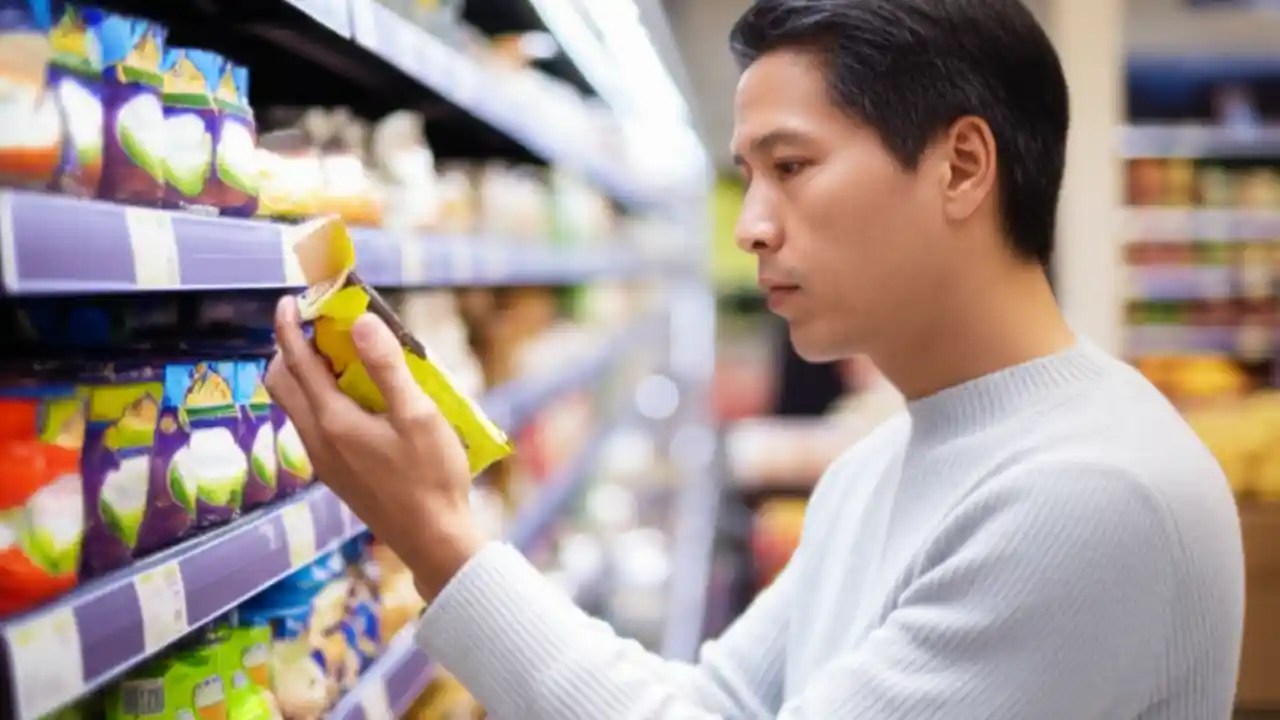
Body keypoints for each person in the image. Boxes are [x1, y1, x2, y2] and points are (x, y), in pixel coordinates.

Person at [265, 0, 1245, 717]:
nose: (752, 228)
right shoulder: (882, 465)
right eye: (748, 177)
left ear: (959, 166)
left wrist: (439, 534)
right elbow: (718, 707)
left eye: (791, 167)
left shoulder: (1087, 495)